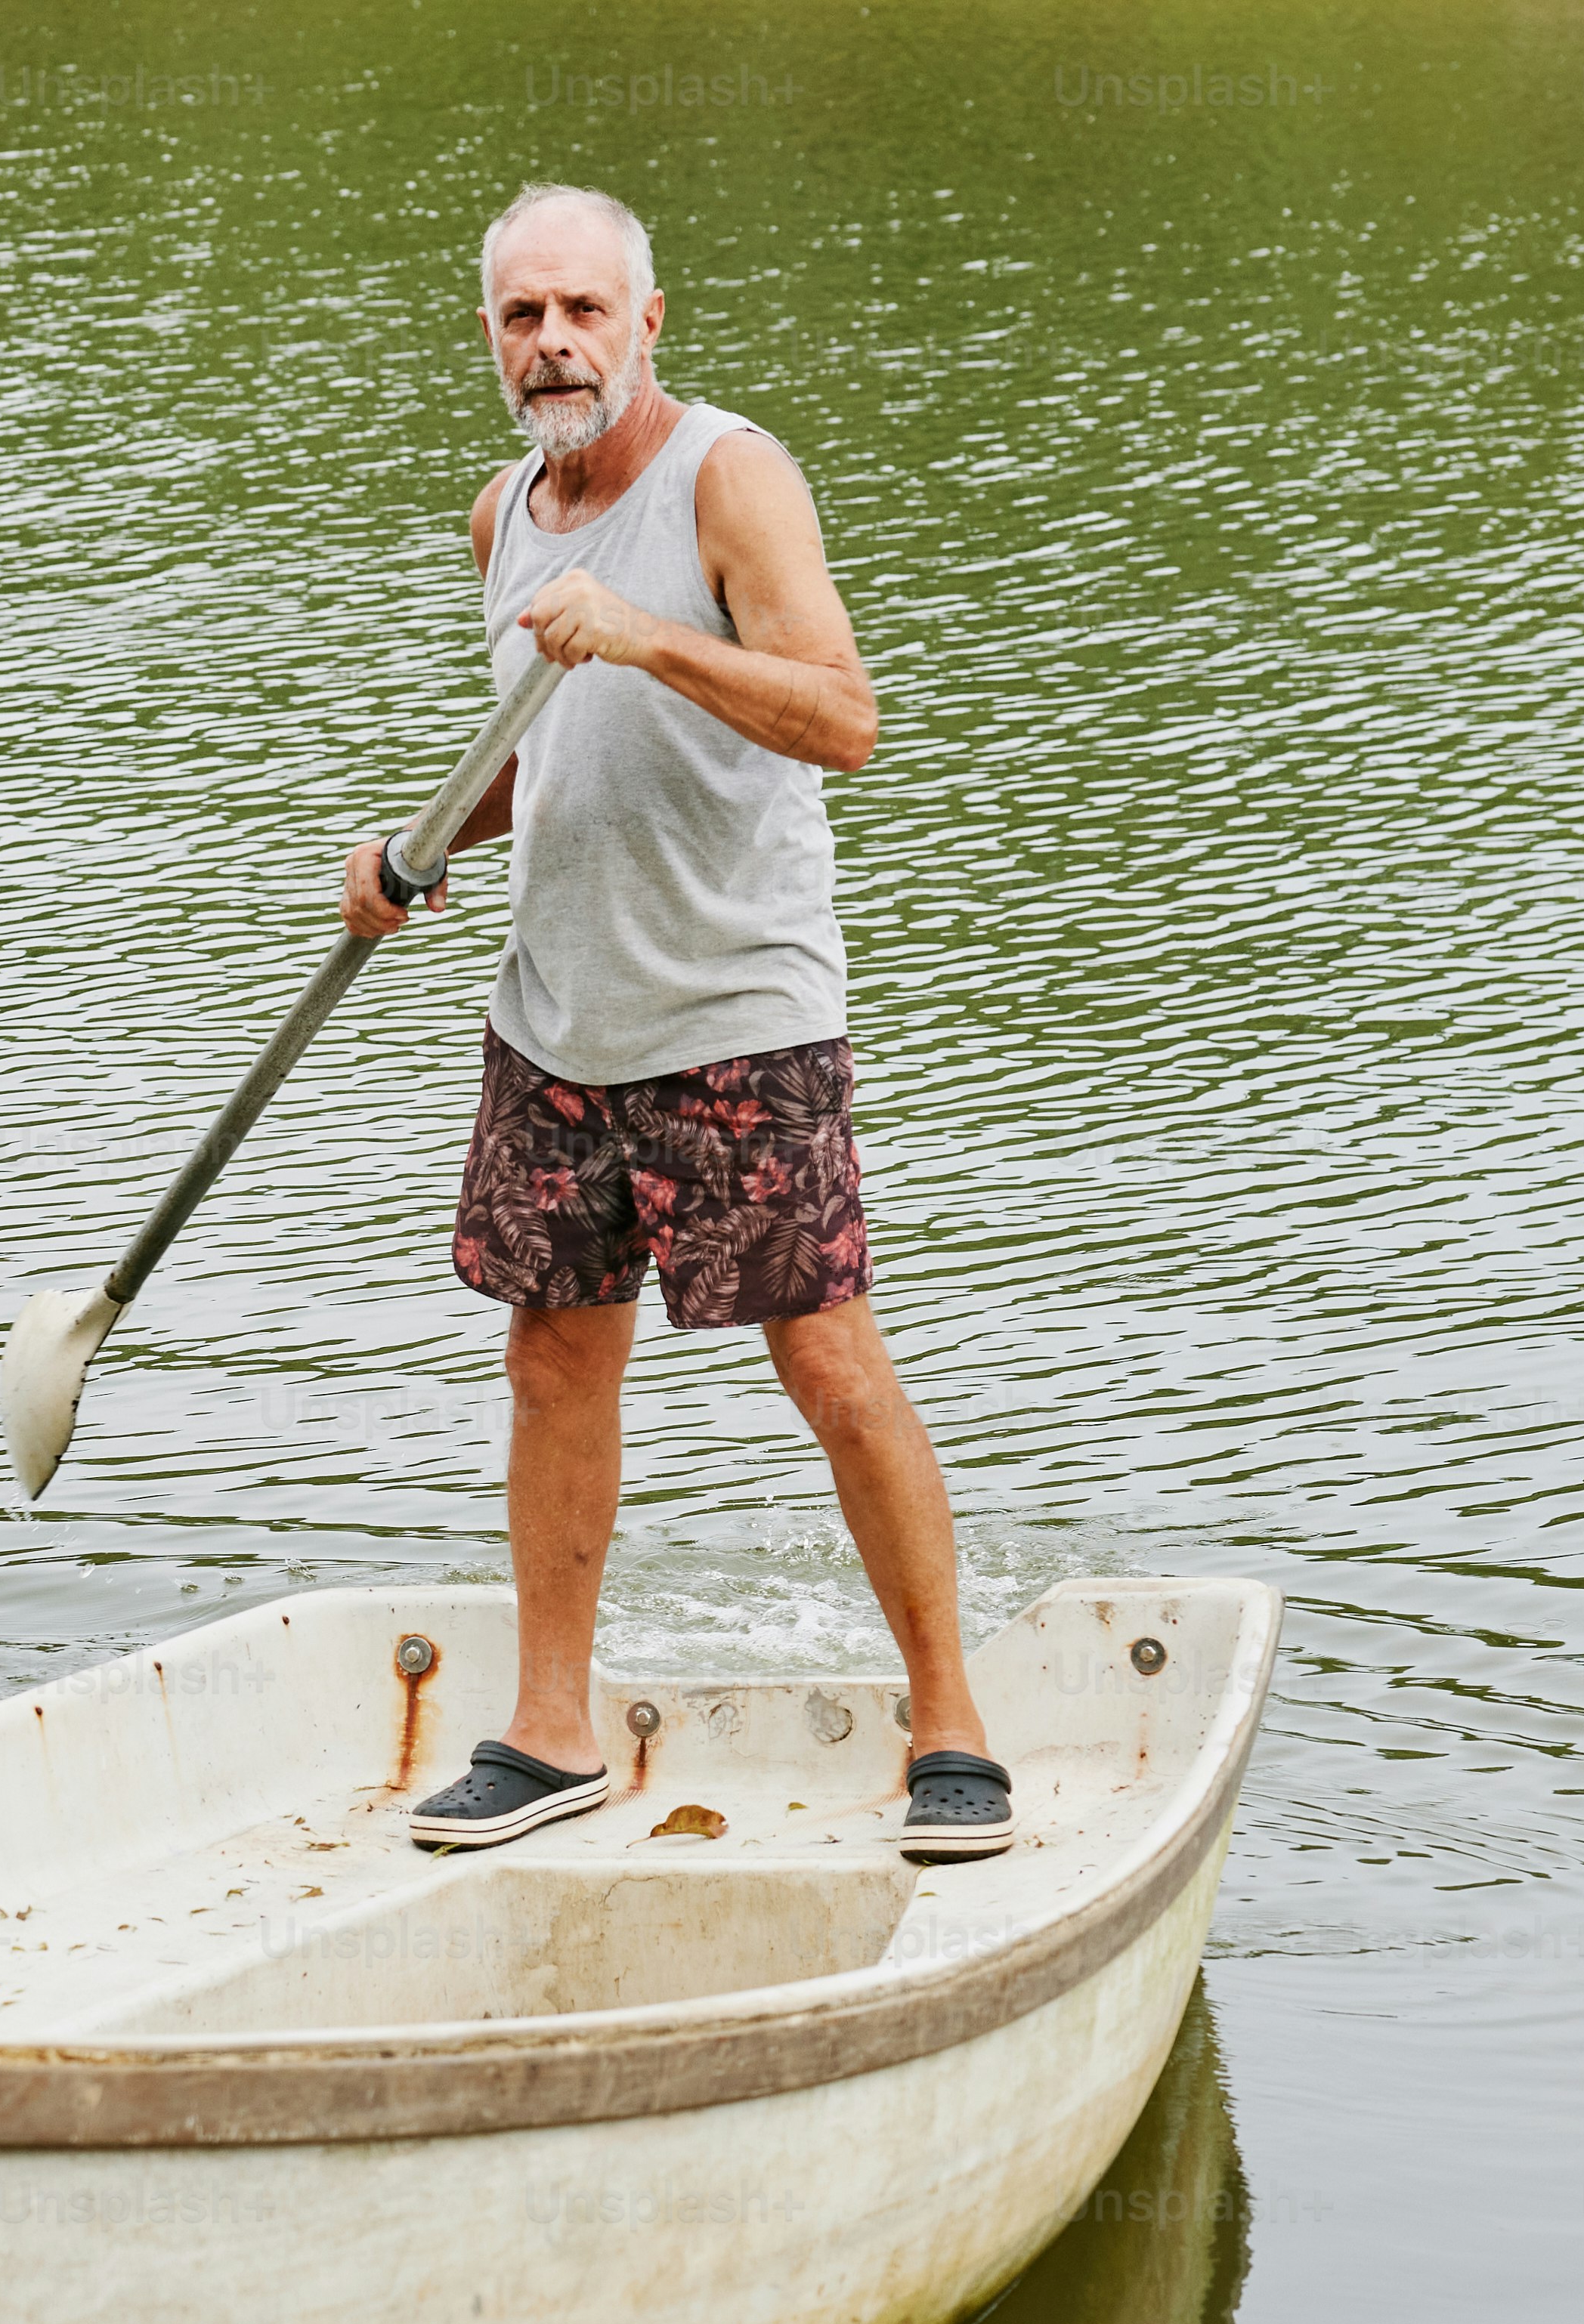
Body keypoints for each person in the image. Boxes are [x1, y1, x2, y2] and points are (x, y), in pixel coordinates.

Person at [351, 182, 1008, 1865]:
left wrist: (645, 635)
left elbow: (842, 716)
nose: (553, 342)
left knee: (829, 1359)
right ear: (489, 336)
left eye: (584, 310)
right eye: (522, 315)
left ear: (646, 322)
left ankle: (949, 1721)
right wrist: (416, 846)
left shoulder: (729, 475)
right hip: (557, 1020)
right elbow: (537, 751)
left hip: (737, 1014)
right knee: (552, 1360)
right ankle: (550, 1732)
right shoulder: (502, 516)